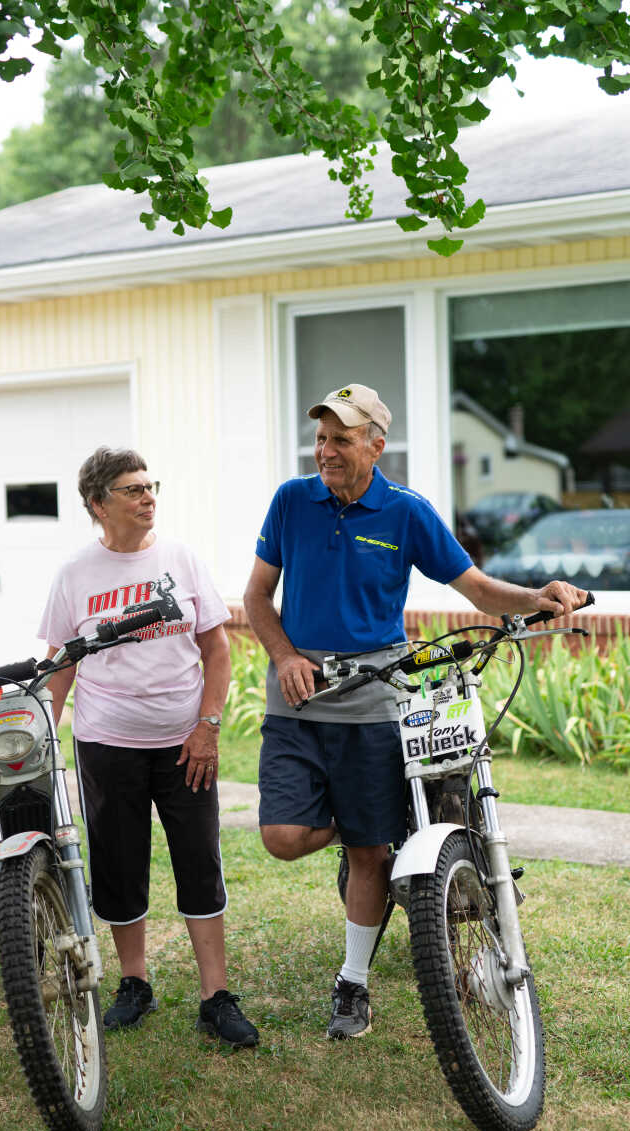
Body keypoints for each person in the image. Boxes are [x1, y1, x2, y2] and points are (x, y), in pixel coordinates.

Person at [243, 383, 588, 1041]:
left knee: (370, 852)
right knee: (283, 837)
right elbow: (257, 596)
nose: (326, 451)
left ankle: (353, 984)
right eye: (320, 438)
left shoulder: (406, 512)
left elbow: (476, 588)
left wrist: (535, 597)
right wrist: (284, 655)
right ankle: (358, 831)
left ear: (376, 445)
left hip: (374, 702)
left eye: (341, 439)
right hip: (297, 702)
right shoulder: (291, 501)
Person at [39, 446, 258, 1048]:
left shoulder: (180, 558)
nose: (147, 497)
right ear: (97, 503)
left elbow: (217, 649)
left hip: (186, 744)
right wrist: (43, 733)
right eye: (132, 489)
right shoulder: (75, 574)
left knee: (199, 858)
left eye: (149, 485)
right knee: (118, 863)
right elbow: (61, 663)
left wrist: (208, 726)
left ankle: (216, 995)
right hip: (107, 743)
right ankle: (134, 983)